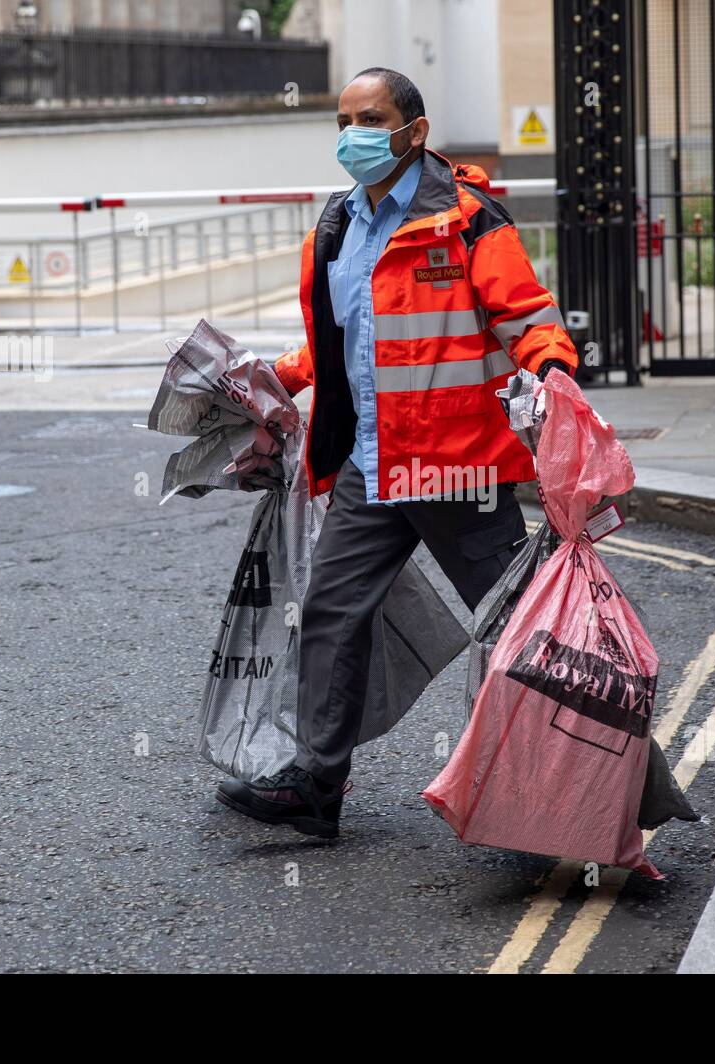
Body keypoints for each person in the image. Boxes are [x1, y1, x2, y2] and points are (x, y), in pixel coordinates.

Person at [215, 66, 577, 838]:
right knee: (330, 612)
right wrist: (268, 379)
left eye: (371, 118)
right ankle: (317, 785)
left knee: (525, 627)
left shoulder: (470, 220)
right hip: (369, 464)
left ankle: (578, 787)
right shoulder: (337, 227)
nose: (354, 135)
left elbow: (528, 317)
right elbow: (337, 343)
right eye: (343, 120)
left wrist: (553, 373)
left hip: (458, 467)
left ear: (415, 131)